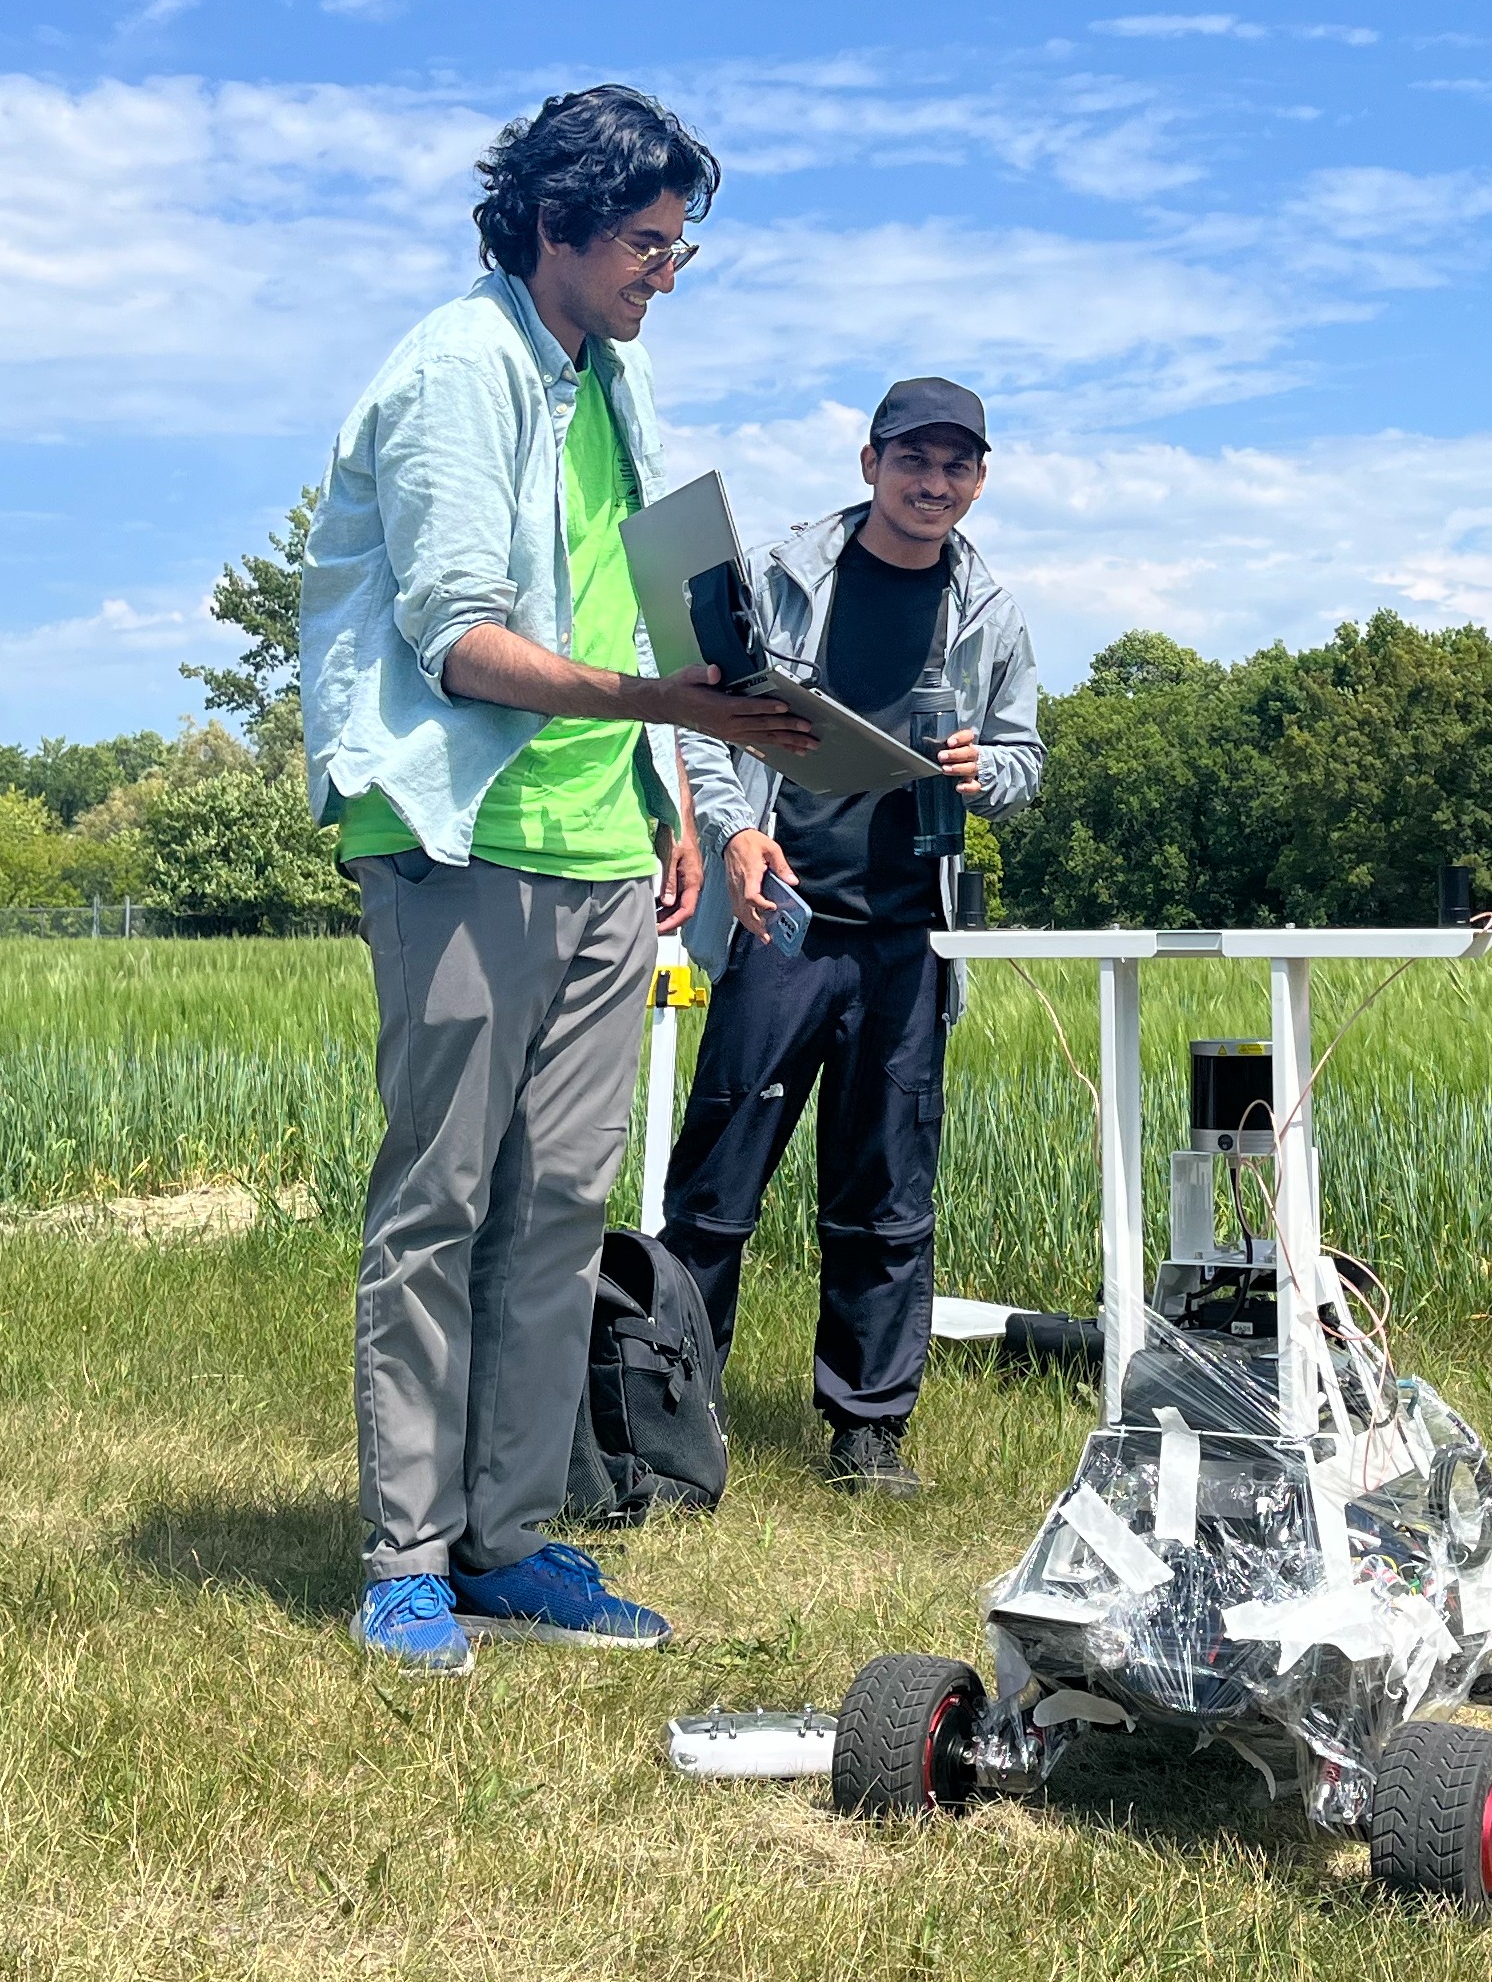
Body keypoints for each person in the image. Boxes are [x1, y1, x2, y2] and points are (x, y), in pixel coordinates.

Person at [301, 86, 816, 1674]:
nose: (669, 267)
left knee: (556, 1214)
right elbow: (458, 637)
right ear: (556, 226)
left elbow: (646, 596)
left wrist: (671, 781)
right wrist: (665, 709)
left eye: (681, 242)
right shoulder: (459, 369)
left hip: (605, 848)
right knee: (438, 1205)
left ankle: (509, 1534)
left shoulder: (615, 380)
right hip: (464, 841)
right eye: (649, 241)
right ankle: (405, 1554)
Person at [663, 378, 1044, 1496]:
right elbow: (710, 724)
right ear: (869, 461)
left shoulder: (993, 612)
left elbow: (1024, 759)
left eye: (957, 466)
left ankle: (867, 1430)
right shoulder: (782, 576)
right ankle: (673, 1412)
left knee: (886, 1194)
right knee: (714, 1187)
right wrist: (731, 836)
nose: (934, 485)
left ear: (979, 478)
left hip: (909, 935)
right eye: (914, 461)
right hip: (783, 916)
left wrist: (991, 774)